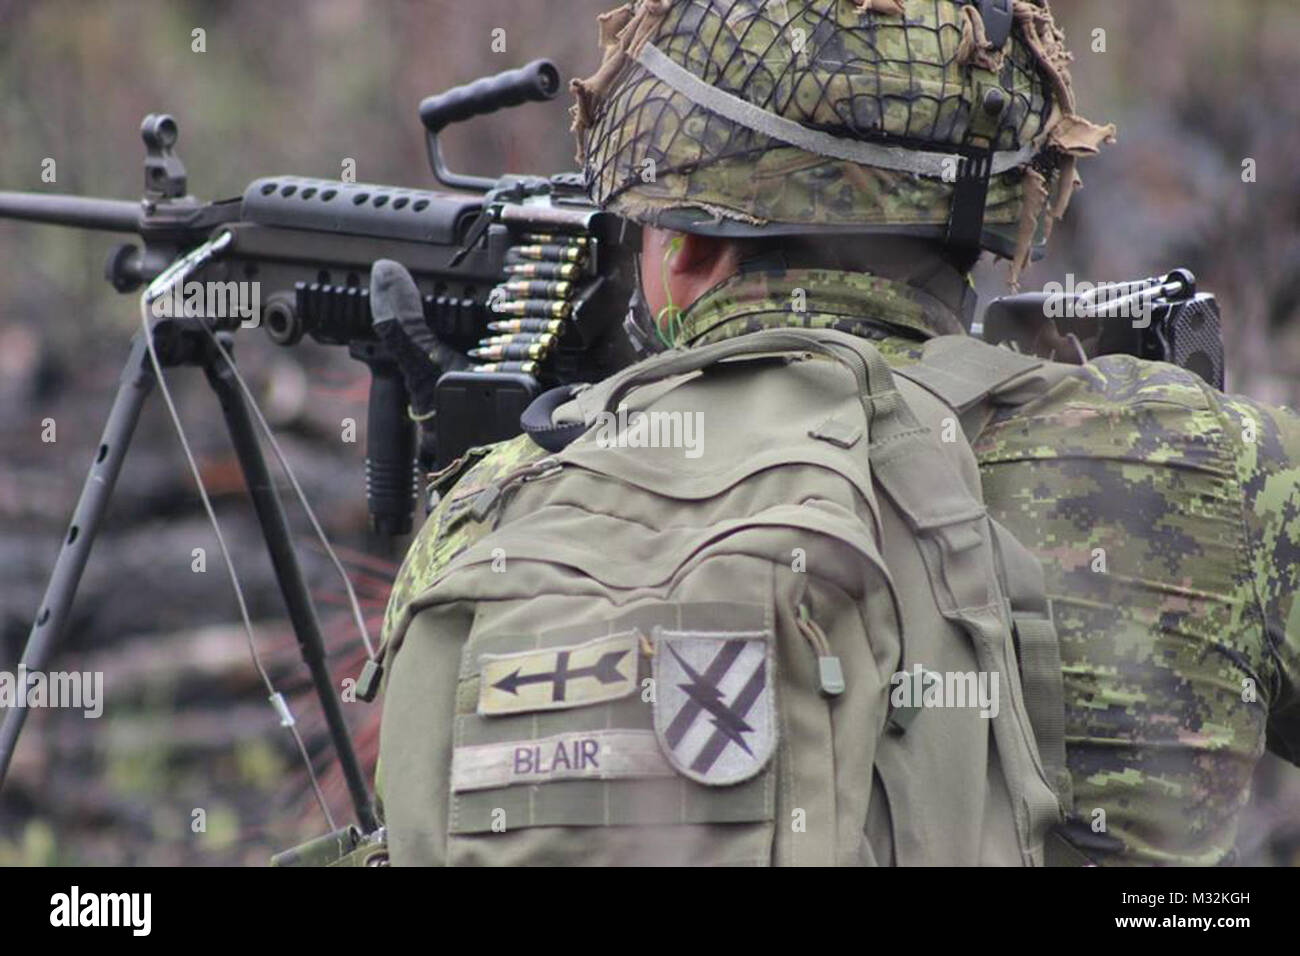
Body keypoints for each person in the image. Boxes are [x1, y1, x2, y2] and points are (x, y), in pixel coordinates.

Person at [376, 0, 1300, 865]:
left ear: (687, 247)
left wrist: (478, 468)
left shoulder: (498, 504)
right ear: (1007, 210)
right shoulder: (1211, 463)